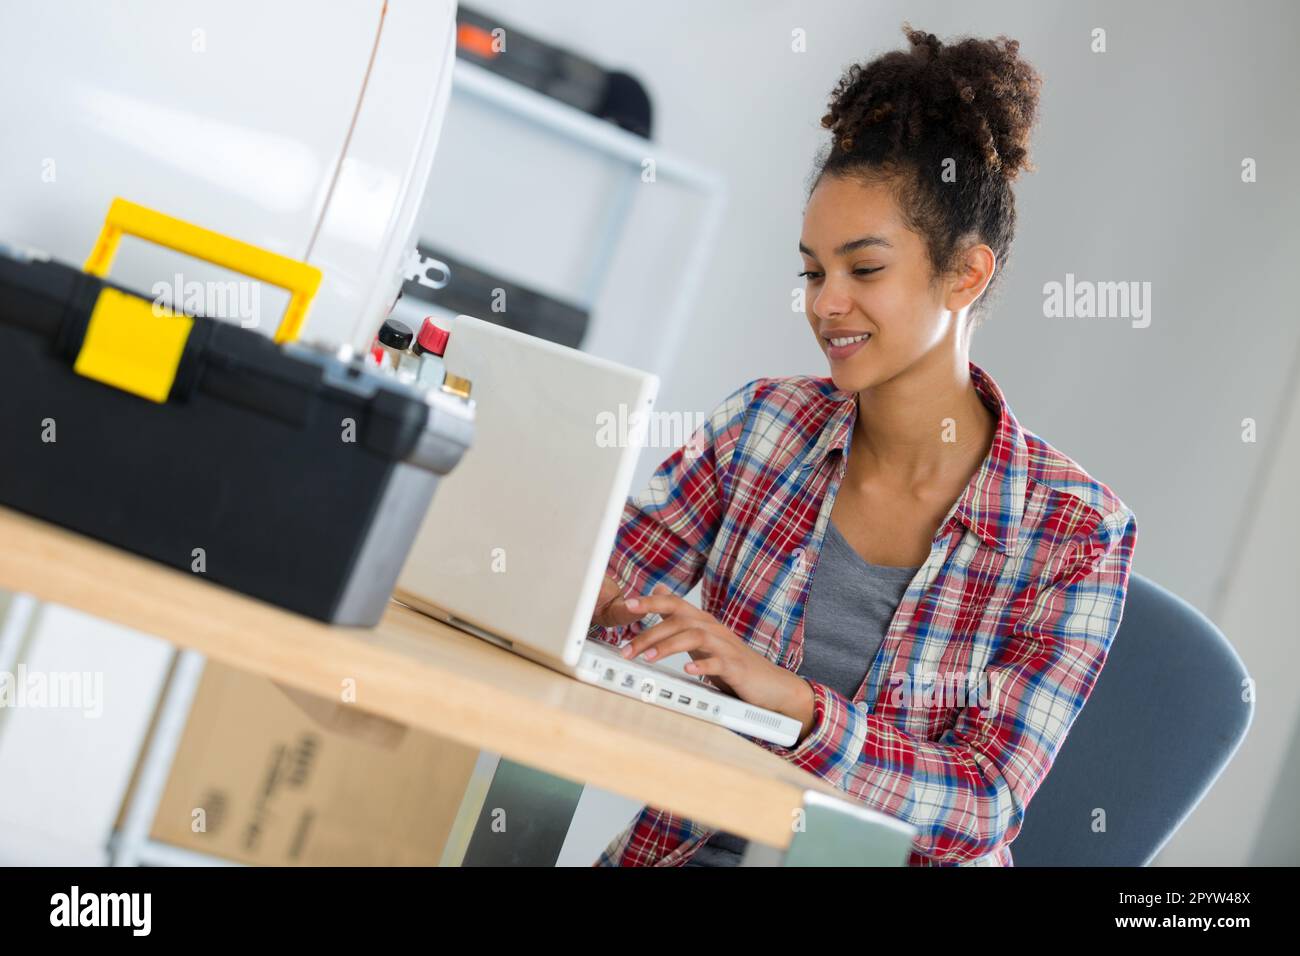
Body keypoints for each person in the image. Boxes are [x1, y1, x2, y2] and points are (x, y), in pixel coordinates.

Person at [587, 23, 1138, 867]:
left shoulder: (1075, 530)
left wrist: (800, 708)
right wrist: (587, 594)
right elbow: (608, 593)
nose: (824, 303)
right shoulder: (763, 428)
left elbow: (982, 802)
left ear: (966, 275)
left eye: (864, 270)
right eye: (813, 272)